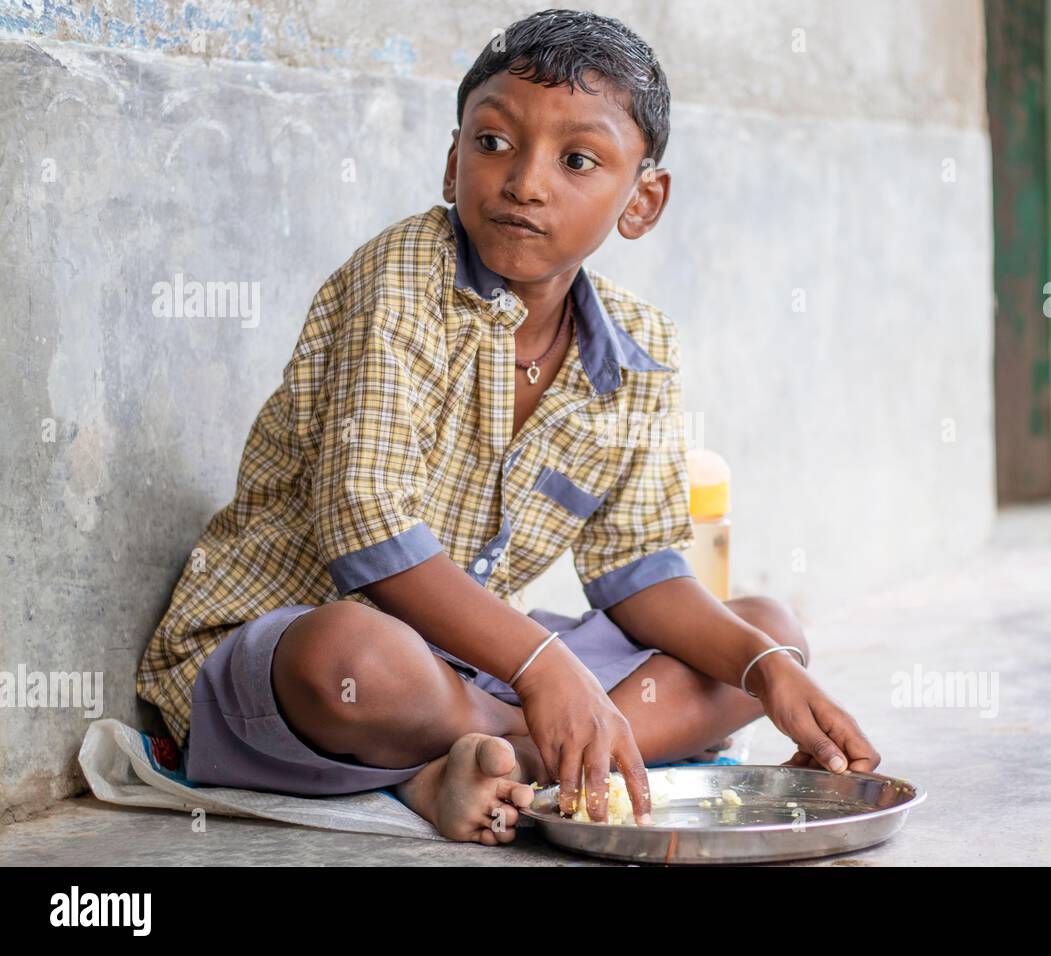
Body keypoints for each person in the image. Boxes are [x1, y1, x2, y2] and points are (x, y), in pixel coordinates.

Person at [136, 8, 880, 845]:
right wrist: (543, 671)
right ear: (453, 162)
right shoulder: (405, 277)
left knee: (769, 635)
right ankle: (528, 749)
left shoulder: (637, 350)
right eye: (492, 143)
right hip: (293, 655)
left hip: (469, 672)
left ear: (643, 201)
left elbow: (638, 569)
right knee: (354, 658)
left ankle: (479, 761)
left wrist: (767, 672)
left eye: (577, 160)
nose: (525, 181)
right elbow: (366, 531)